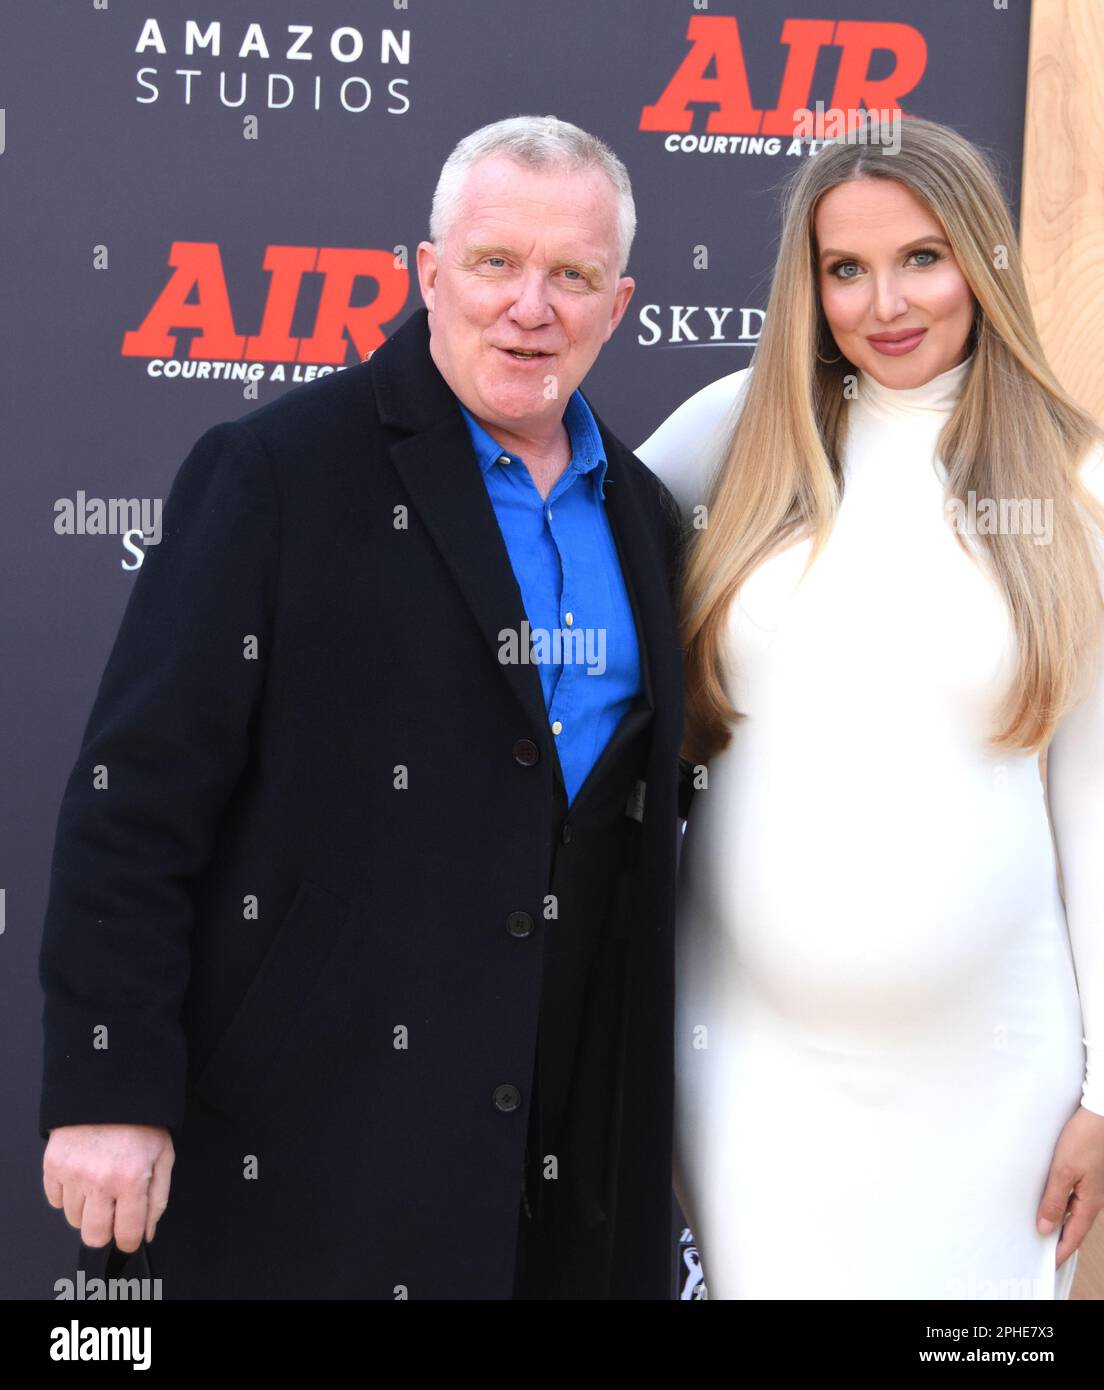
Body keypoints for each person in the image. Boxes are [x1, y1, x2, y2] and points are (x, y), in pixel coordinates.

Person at [38, 114, 686, 1300]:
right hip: (305, 1141)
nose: (531, 305)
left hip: (550, 1159)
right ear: (428, 273)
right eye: (496, 262)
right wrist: (108, 1087)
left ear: (621, 302)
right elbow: (133, 803)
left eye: (573, 275)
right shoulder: (277, 473)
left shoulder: (646, 516)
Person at [636, 115, 1104, 1300]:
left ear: (983, 262)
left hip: (999, 1079)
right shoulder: (727, 435)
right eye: (844, 268)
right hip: (748, 1070)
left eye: (922, 257)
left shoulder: (1079, 482)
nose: (883, 302)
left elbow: (1099, 804)